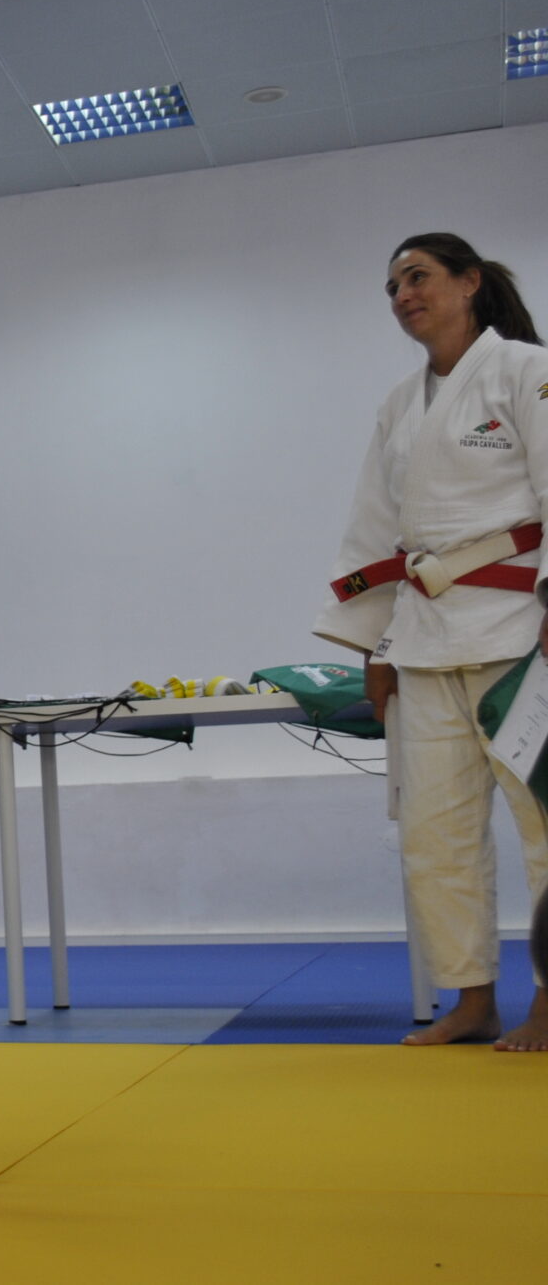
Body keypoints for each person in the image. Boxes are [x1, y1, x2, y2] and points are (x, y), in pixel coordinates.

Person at [316, 232, 548, 1053]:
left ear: (469, 282)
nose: (402, 294)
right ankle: (473, 997)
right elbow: (374, 529)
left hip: (521, 630)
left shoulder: (525, 370)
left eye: (417, 277)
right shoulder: (396, 405)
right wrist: (373, 644)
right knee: (435, 829)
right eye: (391, 286)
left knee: (543, 821)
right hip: (422, 638)